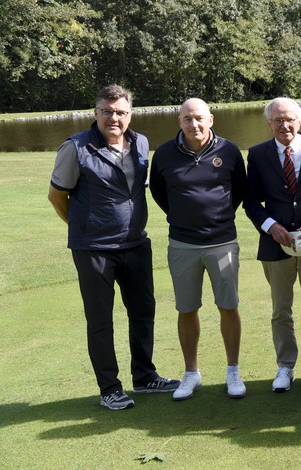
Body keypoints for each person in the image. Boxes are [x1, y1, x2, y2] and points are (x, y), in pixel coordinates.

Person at [47, 85, 179, 410]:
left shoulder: (142, 142)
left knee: (143, 311)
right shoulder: (75, 148)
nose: (114, 118)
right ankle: (109, 388)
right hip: (94, 250)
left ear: (130, 113)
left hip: (136, 244)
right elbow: (56, 196)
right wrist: (84, 229)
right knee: (101, 320)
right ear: (96, 113)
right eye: (107, 111)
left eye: (120, 111)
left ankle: (145, 376)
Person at [149, 98, 248, 400]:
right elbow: (158, 192)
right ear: (179, 121)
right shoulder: (165, 153)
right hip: (183, 244)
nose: (194, 124)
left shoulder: (228, 150)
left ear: (211, 119)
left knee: (228, 307)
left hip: (222, 242)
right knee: (186, 308)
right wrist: (183, 216)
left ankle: (233, 370)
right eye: (187, 119)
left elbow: (240, 190)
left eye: (199, 118)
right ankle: (191, 373)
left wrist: (216, 216)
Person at [243, 98, 301, 393]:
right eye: (278, 120)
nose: (285, 125)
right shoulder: (257, 154)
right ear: (269, 124)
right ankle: (285, 366)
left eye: (290, 119)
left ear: (300, 120)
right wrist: (270, 226)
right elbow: (251, 201)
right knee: (281, 309)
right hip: (275, 244)